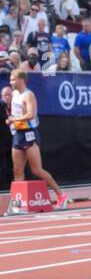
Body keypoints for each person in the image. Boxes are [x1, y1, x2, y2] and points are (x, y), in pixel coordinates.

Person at [8, 69, 69, 208]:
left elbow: (31, 114)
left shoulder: (28, 95)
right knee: (17, 170)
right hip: (18, 134)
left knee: (36, 170)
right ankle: (17, 205)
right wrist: (13, 122)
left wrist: (14, 119)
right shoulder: (14, 94)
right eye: (10, 79)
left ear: (21, 79)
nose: (11, 82)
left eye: (13, 79)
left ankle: (61, 195)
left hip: (30, 133)